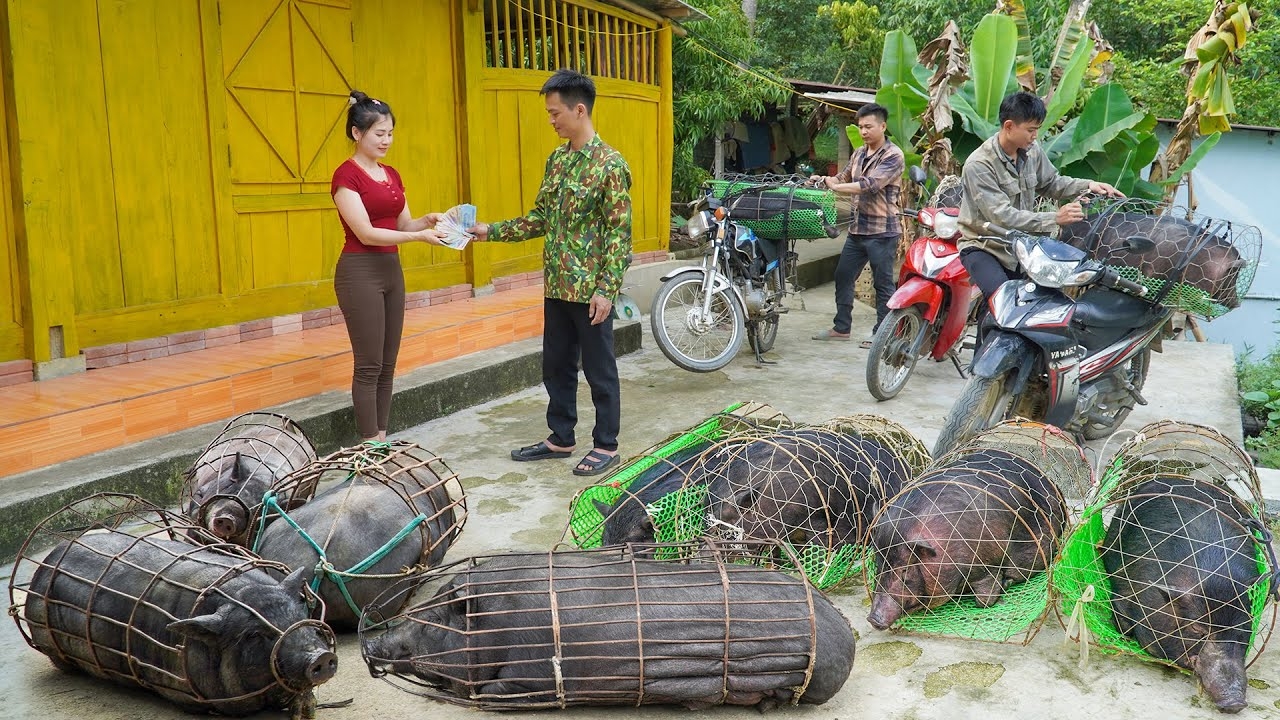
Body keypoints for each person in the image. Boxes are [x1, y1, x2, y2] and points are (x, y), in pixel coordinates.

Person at [470, 69, 632, 477]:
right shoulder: (557, 160)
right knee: (556, 365)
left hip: (590, 290)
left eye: (555, 112)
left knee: (599, 369)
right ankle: (561, 437)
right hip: (557, 284)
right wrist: (490, 231)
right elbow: (540, 218)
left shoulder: (610, 165)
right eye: (548, 113)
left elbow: (619, 233)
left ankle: (606, 445)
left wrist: (606, 289)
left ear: (580, 110)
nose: (551, 120)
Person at [330, 91, 446, 443]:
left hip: (391, 273)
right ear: (357, 134)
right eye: (379, 133)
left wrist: (426, 220)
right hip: (359, 273)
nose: (386, 141)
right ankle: (370, 445)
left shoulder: (391, 174)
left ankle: (382, 438)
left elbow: (402, 225)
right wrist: (421, 239)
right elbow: (365, 233)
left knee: (387, 364)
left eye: (390, 133)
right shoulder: (345, 177)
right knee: (368, 366)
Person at [958, 91, 1123, 304]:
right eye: (1030, 130)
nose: (1035, 136)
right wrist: (1054, 218)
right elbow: (1001, 216)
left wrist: (1089, 185)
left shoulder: (1031, 151)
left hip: (1019, 248)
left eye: (1037, 129)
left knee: (1023, 305)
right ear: (1009, 126)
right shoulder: (979, 165)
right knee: (1004, 300)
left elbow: (1051, 183)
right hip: (984, 246)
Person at [809, 103, 905, 349]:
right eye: (860, 127)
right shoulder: (859, 153)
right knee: (843, 275)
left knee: (882, 284)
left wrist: (837, 188)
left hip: (882, 232)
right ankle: (842, 328)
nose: (863, 131)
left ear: (883, 126)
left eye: (868, 126)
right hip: (858, 230)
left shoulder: (893, 155)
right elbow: (843, 177)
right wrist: (824, 179)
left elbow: (870, 184)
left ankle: (881, 335)